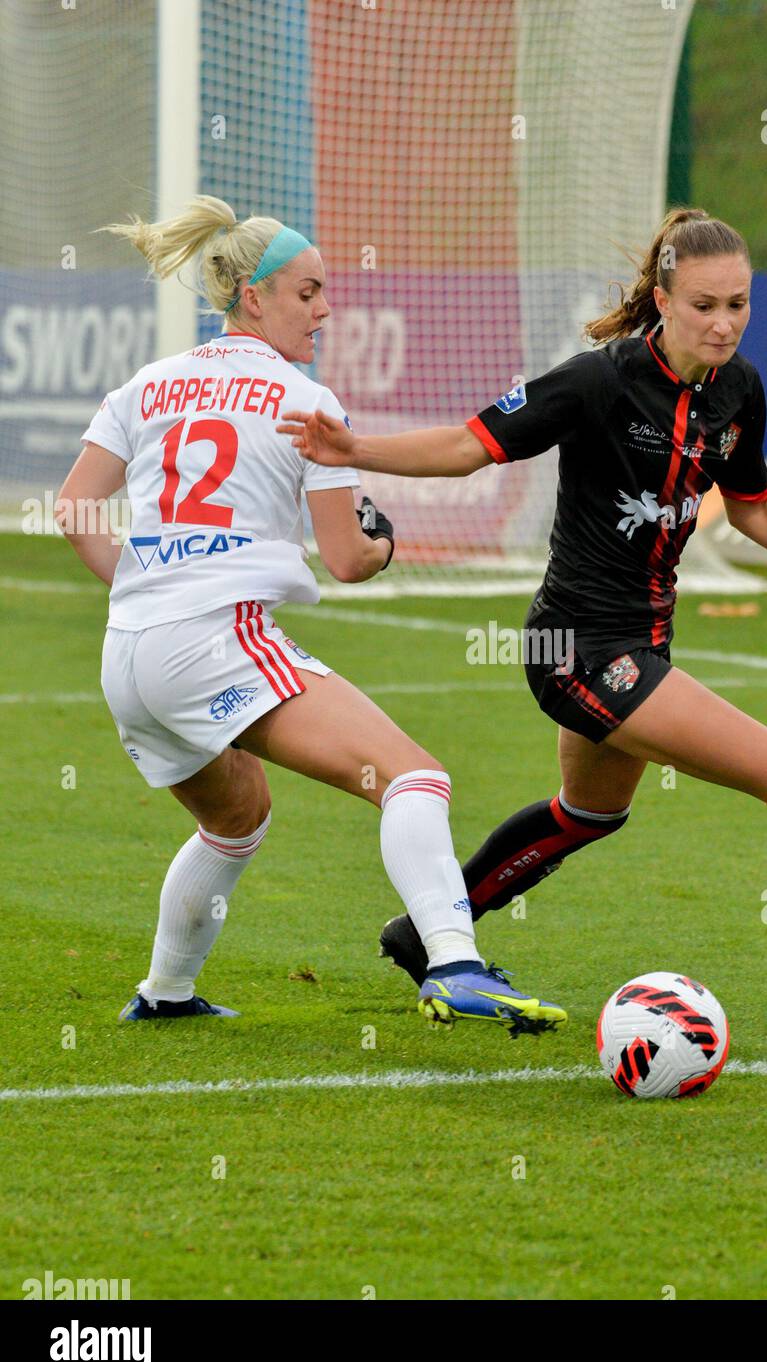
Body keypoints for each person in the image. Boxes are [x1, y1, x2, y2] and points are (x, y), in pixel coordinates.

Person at [277, 207, 767, 984]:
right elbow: (472, 445)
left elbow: (753, 506)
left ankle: (424, 932)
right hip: (577, 648)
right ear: (664, 300)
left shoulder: (737, 390)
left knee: (591, 813)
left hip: (643, 643)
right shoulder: (597, 380)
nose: (723, 323)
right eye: (704, 306)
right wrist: (355, 449)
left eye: (737, 304)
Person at [57, 194, 564, 1034]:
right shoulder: (304, 402)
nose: (325, 310)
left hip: (128, 655)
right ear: (253, 296)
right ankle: (457, 965)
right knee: (415, 776)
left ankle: (165, 995)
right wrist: (385, 540)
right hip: (213, 641)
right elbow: (348, 559)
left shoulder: (145, 385)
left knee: (235, 814)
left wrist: (143, 586)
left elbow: (76, 508)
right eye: (308, 292)